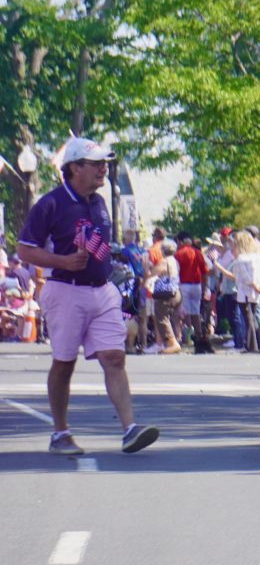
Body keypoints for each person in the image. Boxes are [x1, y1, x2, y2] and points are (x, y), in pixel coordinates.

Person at [16, 137, 157, 455]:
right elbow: (24, 249)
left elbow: (100, 245)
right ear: (74, 168)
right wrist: (62, 261)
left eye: (104, 163)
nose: (103, 169)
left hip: (102, 290)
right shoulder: (51, 203)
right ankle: (60, 433)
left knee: (115, 357)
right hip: (65, 291)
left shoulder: (99, 202)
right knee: (64, 363)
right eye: (96, 164)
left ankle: (129, 429)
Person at [173, 232, 207, 348]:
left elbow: (175, 272)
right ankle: (199, 334)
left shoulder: (178, 254)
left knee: (186, 312)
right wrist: (204, 288)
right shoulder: (197, 253)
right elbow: (204, 272)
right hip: (197, 284)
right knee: (196, 311)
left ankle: (188, 336)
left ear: (179, 241)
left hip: (184, 285)